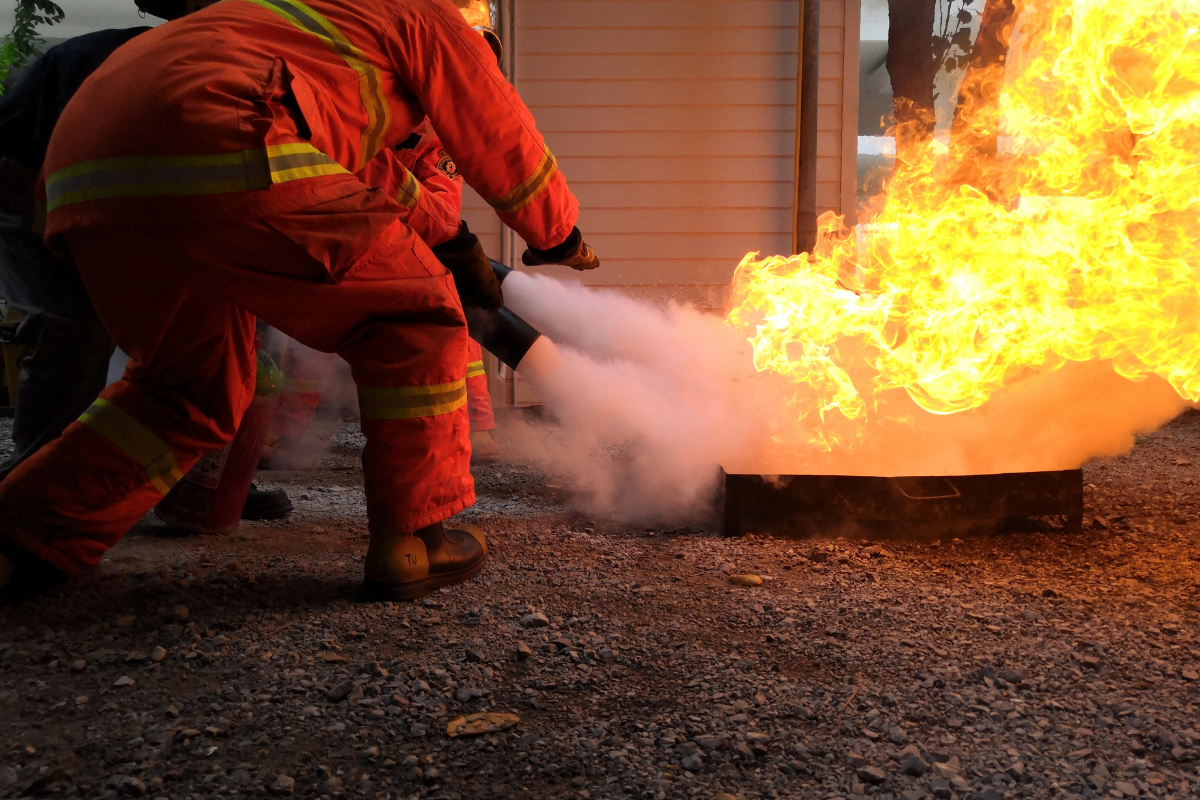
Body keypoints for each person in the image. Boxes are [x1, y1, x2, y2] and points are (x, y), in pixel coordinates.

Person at [0, 0, 599, 601]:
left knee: (185, 386)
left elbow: (371, 173)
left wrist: (455, 238)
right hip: (223, 135)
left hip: (85, 178)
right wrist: (560, 235)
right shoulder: (425, 14)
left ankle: (25, 534)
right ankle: (417, 539)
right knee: (415, 313)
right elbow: (494, 128)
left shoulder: (311, 34)